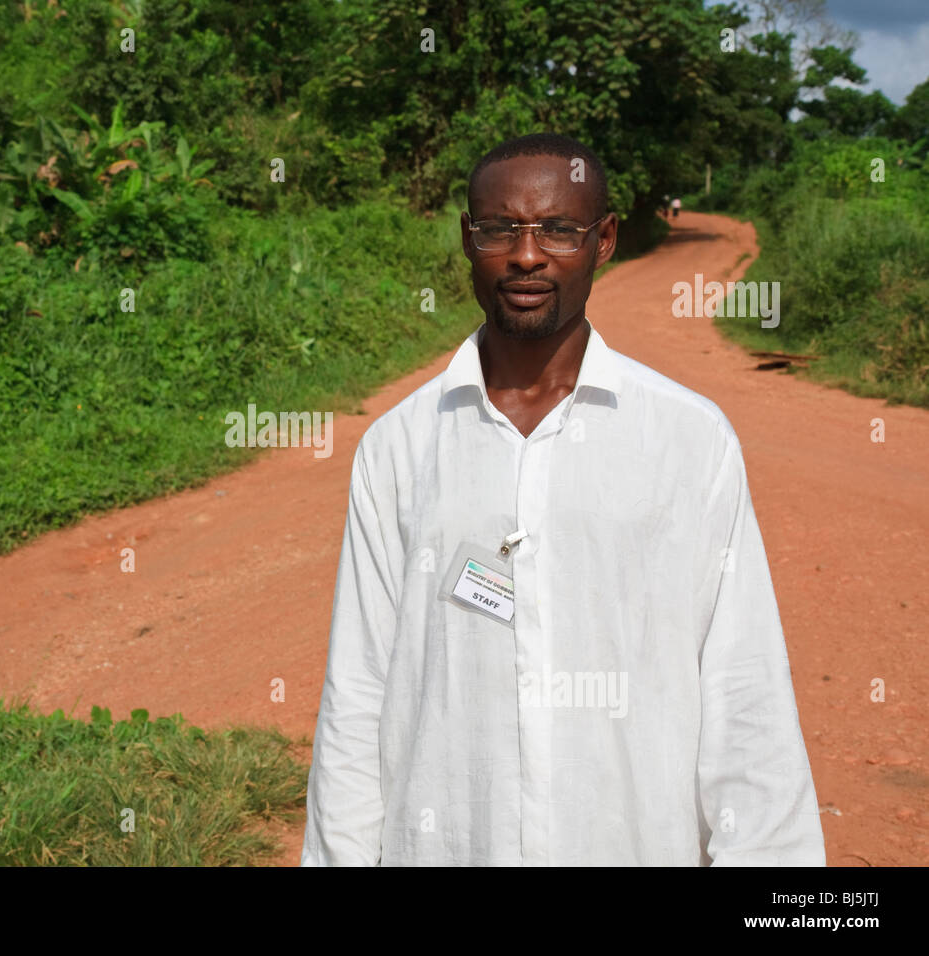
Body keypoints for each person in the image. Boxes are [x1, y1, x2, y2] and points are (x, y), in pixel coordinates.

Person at [302, 132, 824, 866]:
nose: (526, 255)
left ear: (604, 239)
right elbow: (358, 692)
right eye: (498, 229)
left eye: (558, 229)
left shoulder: (688, 439)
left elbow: (744, 688)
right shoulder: (399, 449)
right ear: (466, 239)